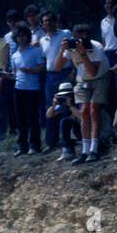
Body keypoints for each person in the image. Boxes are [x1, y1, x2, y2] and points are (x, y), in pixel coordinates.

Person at [57, 23, 110, 162]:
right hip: (82, 79)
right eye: (77, 38)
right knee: (84, 111)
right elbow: (57, 67)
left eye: (83, 37)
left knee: (94, 110)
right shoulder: (71, 48)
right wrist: (62, 50)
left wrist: (82, 53)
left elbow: (93, 72)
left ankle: (94, 149)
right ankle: (85, 151)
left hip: (99, 77)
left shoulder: (97, 47)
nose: (79, 41)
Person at [40, 12, 74, 152]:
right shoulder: (43, 40)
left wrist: (72, 72)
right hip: (50, 76)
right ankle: (51, 142)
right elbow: (44, 58)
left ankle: (68, 140)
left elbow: (72, 52)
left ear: (55, 21)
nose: (46, 23)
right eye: (44, 22)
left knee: (66, 106)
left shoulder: (65, 34)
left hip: (65, 73)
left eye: (49, 20)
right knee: (50, 106)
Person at [10, 25, 45, 156]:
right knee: (20, 119)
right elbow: (14, 74)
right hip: (19, 89)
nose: (21, 38)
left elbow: (42, 67)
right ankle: (22, 146)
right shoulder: (14, 55)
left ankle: (34, 145)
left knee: (33, 118)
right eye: (18, 36)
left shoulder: (35, 51)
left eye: (24, 35)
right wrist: (5, 75)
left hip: (32, 88)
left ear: (28, 36)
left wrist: (30, 71)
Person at [46, 82, 82, 162]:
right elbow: (48, 115)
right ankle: (68, 151)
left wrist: (70, 105)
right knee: (64, 121)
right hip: (72, 130)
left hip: (82, 128)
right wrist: (54, 105)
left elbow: (81, 117)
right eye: (63, 95)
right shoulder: (62, 104)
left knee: (65, 121)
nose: (65, 97)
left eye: (67, 95)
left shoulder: (79, 100)